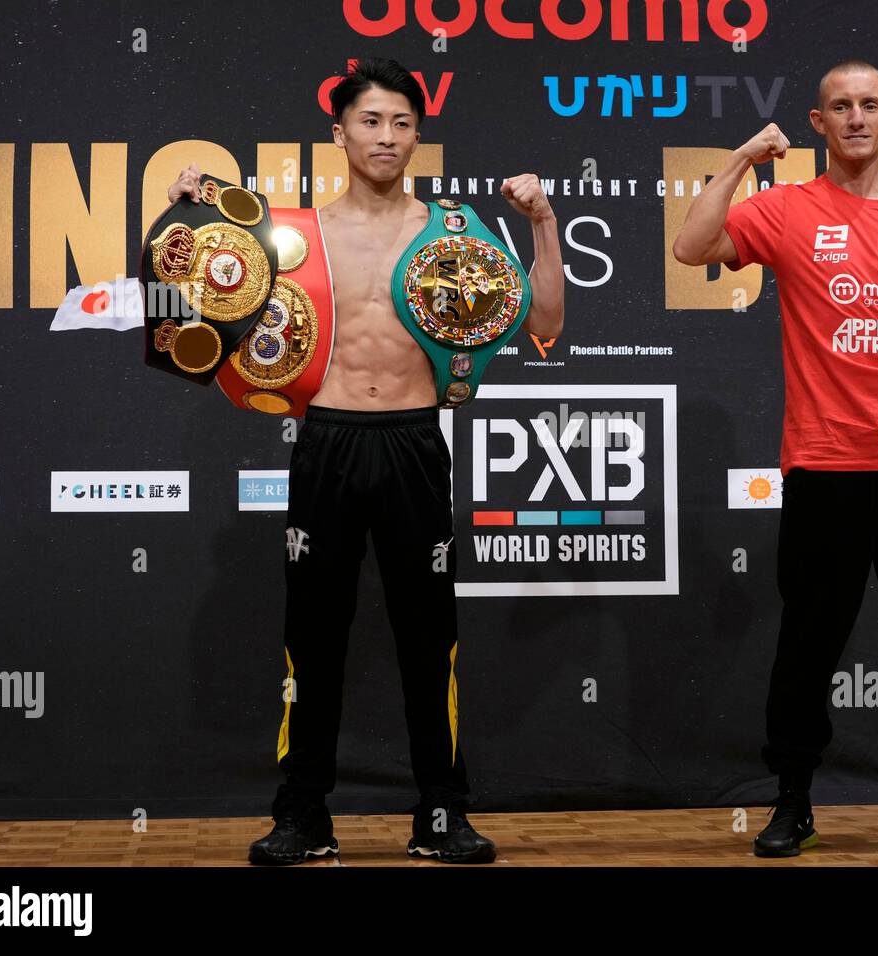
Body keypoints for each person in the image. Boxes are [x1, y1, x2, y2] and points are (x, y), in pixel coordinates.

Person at [164, 57, 565, 864]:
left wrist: (543, 223)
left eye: (402, 123)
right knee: (312, 640)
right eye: (371, 121)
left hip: (416, 442)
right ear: (339, 133)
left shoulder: (457, 232)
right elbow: (194, 288)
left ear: (419, 135)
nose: (387, 137)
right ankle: (302, 814)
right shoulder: (290, 235)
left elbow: (546, 324)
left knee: (430, 638)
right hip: (329, 444)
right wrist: (190, 203)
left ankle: (442, 814)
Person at [672, 59, 878, 856]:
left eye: (869, 105)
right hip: (824, 467)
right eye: (839, 107)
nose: (855, 117)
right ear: (817, 125)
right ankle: (792, 803)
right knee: (809, 645)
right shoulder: (785, 209)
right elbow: (691, 247)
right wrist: (742, 161)